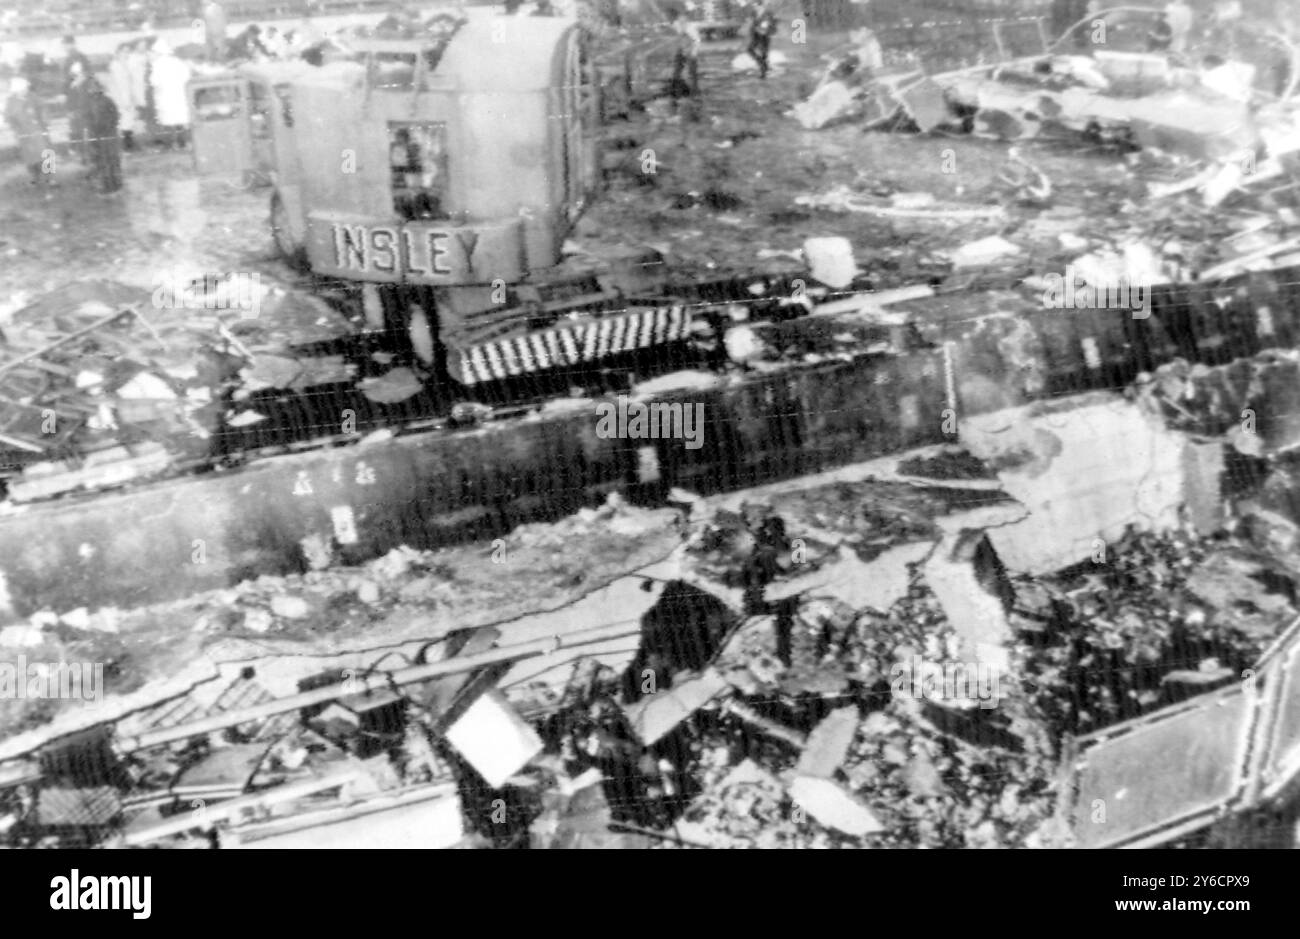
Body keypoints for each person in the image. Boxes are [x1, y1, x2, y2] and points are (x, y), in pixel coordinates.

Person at [4, 76, 53, 188]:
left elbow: (43, 108)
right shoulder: (11, 101)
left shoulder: (33, 97)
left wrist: (45, 122)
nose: (25, 90)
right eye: (23, 89)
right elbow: (8, 117)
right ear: (16, 90)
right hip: (24, 134)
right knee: (30, 157)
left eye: (26, 88)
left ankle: (49, 178)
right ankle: (34, 178)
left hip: (39, 131)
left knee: (47, 153)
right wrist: (16, 129)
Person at [149, 40, 192, 149]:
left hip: (166, 97)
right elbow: (187, 77)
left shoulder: (157, 65)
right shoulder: (179, 62)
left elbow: (154, 82)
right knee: (183, 121)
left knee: (170, 122)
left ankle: (175, 144)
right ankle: (187, 143)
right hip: (180, 95)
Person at [82, 78, 122, 193]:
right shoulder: (89, 103)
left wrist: (107, 127)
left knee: (111, 160)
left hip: (108, 135)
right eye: (91, 88)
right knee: (101, 160)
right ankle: (107, 184)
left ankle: (115, 184)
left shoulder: (107, 101)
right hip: (97, 135)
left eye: (95, 88)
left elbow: (115, 116)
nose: (93, 91)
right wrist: (92, 130)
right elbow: (87, 118)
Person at [61, 35, 93, 162]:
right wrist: (64, 92)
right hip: (72, 97)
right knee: (74, 123)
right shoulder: (68, 58)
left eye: (67, 44)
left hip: (81, 96)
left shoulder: (80, 57)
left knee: (80, 123)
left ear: (73, 44)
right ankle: (76, 148)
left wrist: (80, 79)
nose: (65, 47)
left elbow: (87, 73)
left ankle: (82, 152)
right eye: (64, 45)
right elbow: (66, 79)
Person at [747, 3, 777, 80]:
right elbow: (752, 24)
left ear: (761, 5)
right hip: (756, 35)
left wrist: (767, 30)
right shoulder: (753, 13)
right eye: (753, 6)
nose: (755, 7)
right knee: (750, 50)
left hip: (765, 36)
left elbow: (773, 25)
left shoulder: (768, 13)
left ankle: (764, 72)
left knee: (764, 54)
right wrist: (752, 30)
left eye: (756, 6)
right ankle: (763, 65)